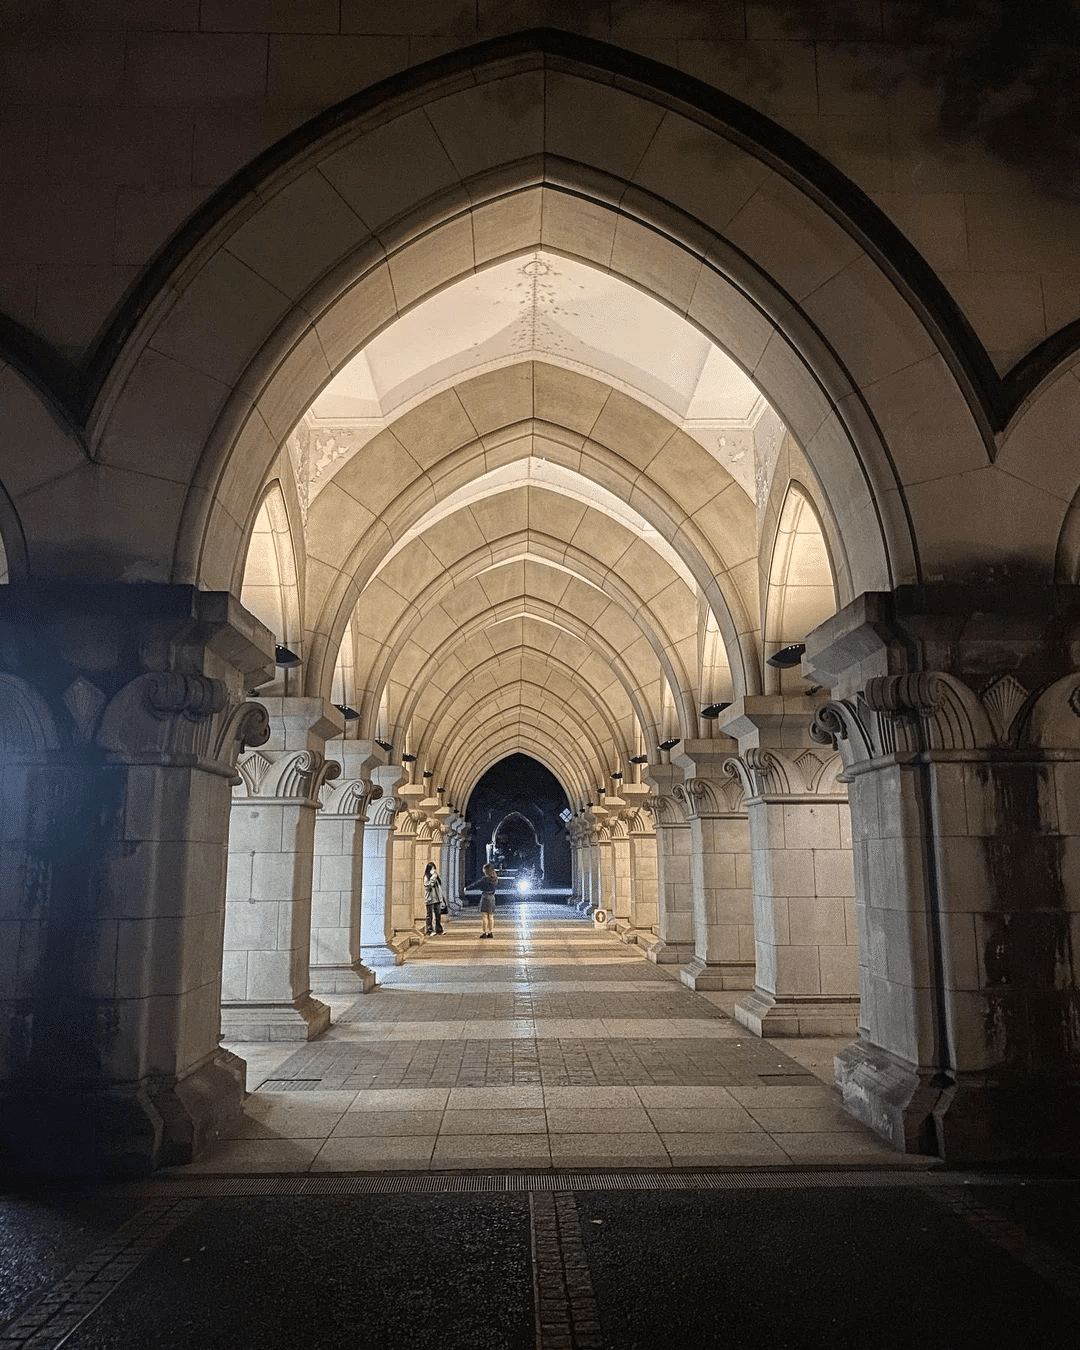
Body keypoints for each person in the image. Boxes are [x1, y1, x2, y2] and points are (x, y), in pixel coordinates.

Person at [475, 862, 497, 938]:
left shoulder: (485, 879)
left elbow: (476, 884)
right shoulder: (494, 879)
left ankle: (484, 932)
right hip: (492, 897)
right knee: (491, 915)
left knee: (484, 915)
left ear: (486, 870)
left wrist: (466, 888)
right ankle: (490, 932)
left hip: (485, 897)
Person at [423, 862, 445, 935]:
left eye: (434, 868)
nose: (434, 870)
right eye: (432, 868)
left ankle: (438, 929)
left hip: (437, 898)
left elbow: (439, 887)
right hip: (430, 898)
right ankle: (429, 930)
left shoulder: (436, 877)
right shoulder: (427, 877)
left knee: (438, 914)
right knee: (429, 915)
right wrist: (433, 877)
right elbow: (428, 886)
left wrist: (441, 898)